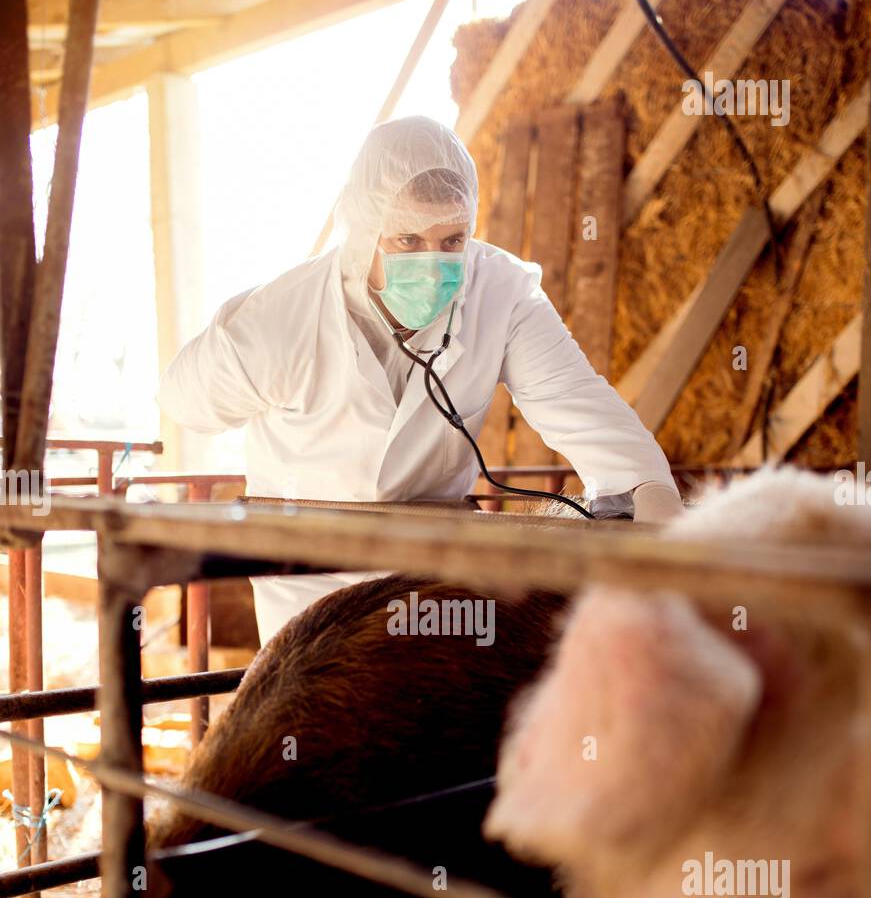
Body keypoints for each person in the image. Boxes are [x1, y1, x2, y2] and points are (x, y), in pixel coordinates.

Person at [159, 115, 681, 644]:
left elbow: (574, 397)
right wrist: (238, 354)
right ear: (365, 234)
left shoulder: (502, 292)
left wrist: (648, 488)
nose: (432, 266)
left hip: (431, 579)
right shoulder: (281, 318)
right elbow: (185, 402)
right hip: (307, 587)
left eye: (452, 240)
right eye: (408, 240)